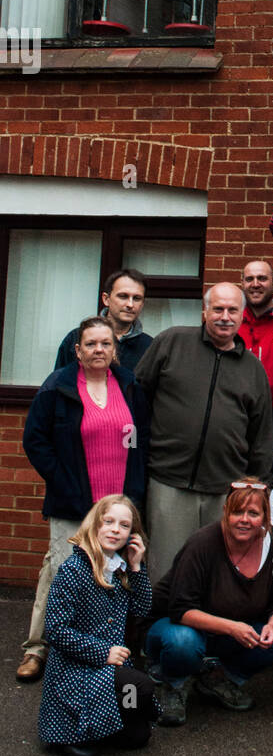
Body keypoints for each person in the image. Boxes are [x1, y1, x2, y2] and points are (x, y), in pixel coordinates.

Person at [17, 270, 153, 684]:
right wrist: (65, 485)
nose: (99, 349)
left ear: (115, 350)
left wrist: (132, 496)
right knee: (62, 573)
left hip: (117, 504)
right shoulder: (57, 387)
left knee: (115, 578)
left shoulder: (129, 384)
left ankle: (107, 651)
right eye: (91, 343)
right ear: (77, 350)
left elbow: (141, 439)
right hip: (75, 501)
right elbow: (36, 442)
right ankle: (42, 651)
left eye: (106, 344)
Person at [135, 283, 273, 582]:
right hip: (167, 482)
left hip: (225, 490)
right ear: (204, 312)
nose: (225, 316)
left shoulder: (253, 369)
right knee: (165, 572)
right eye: (218, 309)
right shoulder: (171, 342)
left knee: (216, 574)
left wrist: (253, 490)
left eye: (232, 310)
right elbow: (136, 399)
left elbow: (261, 436)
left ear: (242, 315)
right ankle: (162, 629)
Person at [146, 479, 273, 726]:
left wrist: (272, 624)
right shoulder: (201, 544)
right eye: (238, 512)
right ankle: (172, 682)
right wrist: (232, 627)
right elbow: (180, 608)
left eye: (253, 513)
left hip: (229, 635)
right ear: (226, 511)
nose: (245, 520)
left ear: (265, 517)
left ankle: (220, 679)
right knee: (183, 642)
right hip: (176, 628)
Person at [39, 495, 158, 756]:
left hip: (108, 665)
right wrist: (103, 652)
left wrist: (138, 566)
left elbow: (142, 609)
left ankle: (106, 725)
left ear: (132, 534)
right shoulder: (73, 569)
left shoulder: (121, 567)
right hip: (76, 666)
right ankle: (69, 733)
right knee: (142, 687)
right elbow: (56, 630)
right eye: (109, 522)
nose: (116, 529)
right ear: (95, 524)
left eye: (125, 525)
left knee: (139, 737)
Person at [239, 259, 273, 479]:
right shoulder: (231, 320)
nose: (255, 284)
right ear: (242, 283)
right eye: (250, 279)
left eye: (262, 278)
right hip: (235, 417)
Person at [54, 268, 152, 370]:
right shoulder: (76, 338)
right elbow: (57, 383)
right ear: (106, 299)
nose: (130, 304)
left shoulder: (150, 347)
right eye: (123, 296)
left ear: (143, 303)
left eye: (137, 298)